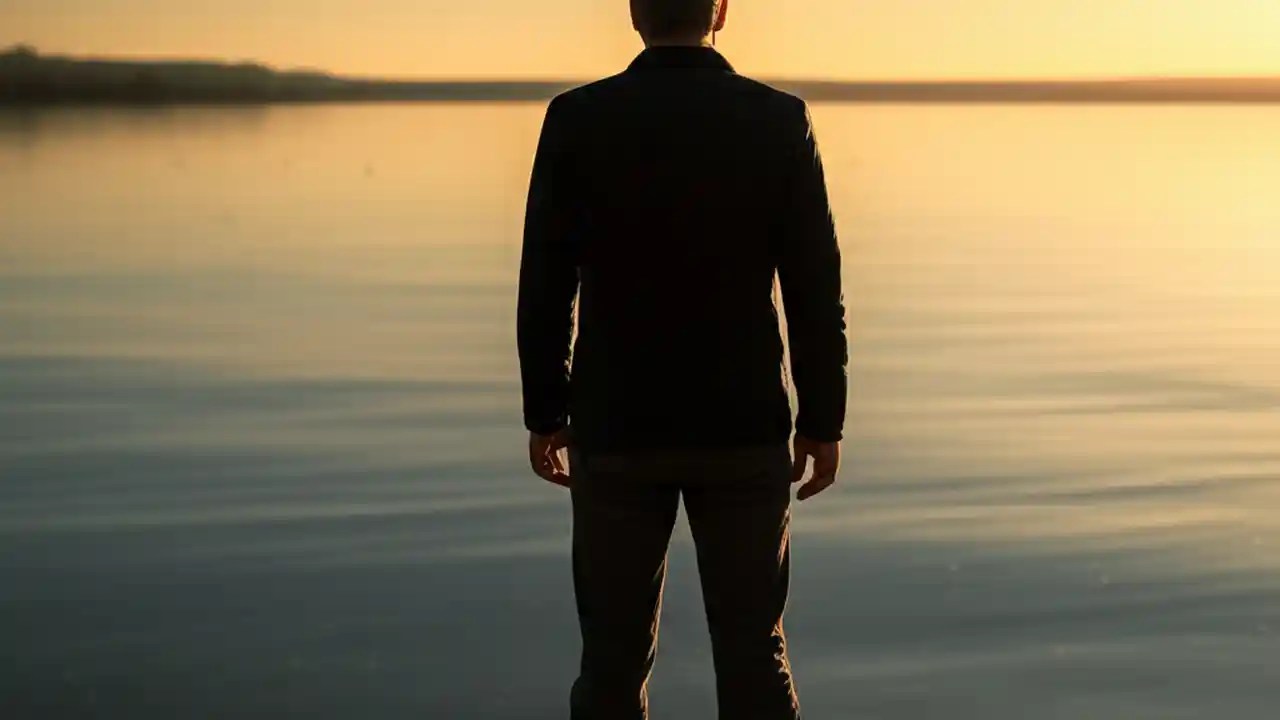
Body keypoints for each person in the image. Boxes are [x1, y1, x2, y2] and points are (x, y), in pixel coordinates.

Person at [517, 1, 847, 717]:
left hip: (616, 424)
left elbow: (546, 280)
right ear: (720, 11)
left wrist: (545, 407)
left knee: (610, 662)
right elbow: (814, 286)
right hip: (744, 423)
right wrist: (824, 418)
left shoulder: (577, 118)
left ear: (635, 10)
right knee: (756, 655)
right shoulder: (777, 120)